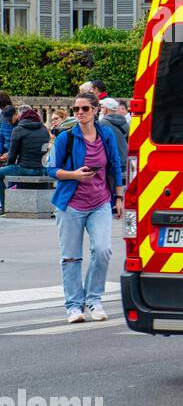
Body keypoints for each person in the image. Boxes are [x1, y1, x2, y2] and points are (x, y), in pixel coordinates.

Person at [48, 93, 124, 324]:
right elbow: (51, 169)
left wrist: (118, 197)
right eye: (76, 109)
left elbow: (115, 165)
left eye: (84, 109)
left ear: (95, 110)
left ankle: (94, 300)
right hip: (70, 204)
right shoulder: (66, 138)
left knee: (102, 250)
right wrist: (74, 175)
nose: (79, 113)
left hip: (100, 201)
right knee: (71, 257)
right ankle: (73, 306)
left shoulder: (106, 134)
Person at [0, 106, 51, 215]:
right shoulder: (44, 129)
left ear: (20, 116)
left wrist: (10, 168)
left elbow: (12, 156)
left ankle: (4, 205)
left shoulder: (18, 130)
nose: (8, 122)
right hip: (42, 169)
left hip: (25, 168)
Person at [99, 97, 129, 161]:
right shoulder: (125, 122)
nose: (101, 110)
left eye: (102, 107)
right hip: (124, 158)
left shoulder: (102, 123)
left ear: (106, 109)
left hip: (112, 161)